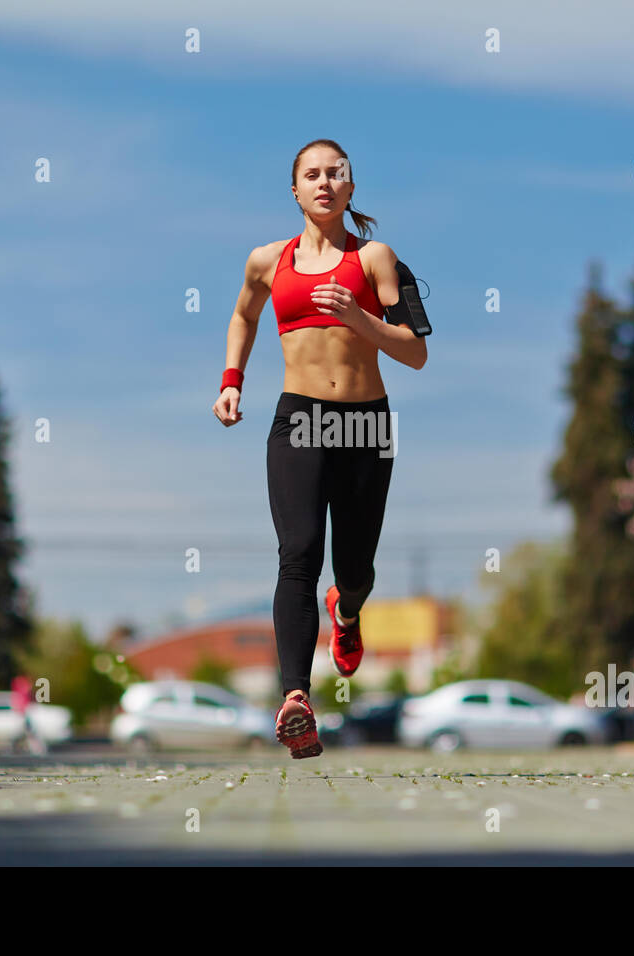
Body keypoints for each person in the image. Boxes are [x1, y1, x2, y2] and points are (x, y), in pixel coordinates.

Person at [212, 139, 428, 759]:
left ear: (351, 189)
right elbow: (243, 316)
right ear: (295, 189)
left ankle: (348, 609)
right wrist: (232, 380)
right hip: (299, 418)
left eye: (337, 173)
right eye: (313, 174)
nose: (325, 183)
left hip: (364, 424)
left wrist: (361, 318)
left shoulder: (377, 258)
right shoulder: (265, 261)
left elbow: (415, 352)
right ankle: (296, 699)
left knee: (353, 566)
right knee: (298, 552)